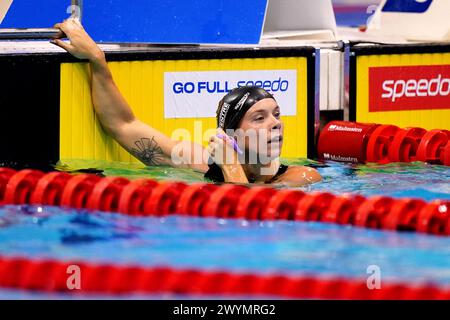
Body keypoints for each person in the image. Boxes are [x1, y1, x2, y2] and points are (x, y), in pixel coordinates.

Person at [51, 19, 322, 187]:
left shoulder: (301, 178)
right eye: (259, 117)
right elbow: (123, 125)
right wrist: (97, 59)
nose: (276, 123)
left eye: (276, 114)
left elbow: (251, 218)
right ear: (231, 136)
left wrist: (230, 166)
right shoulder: (198, 164)